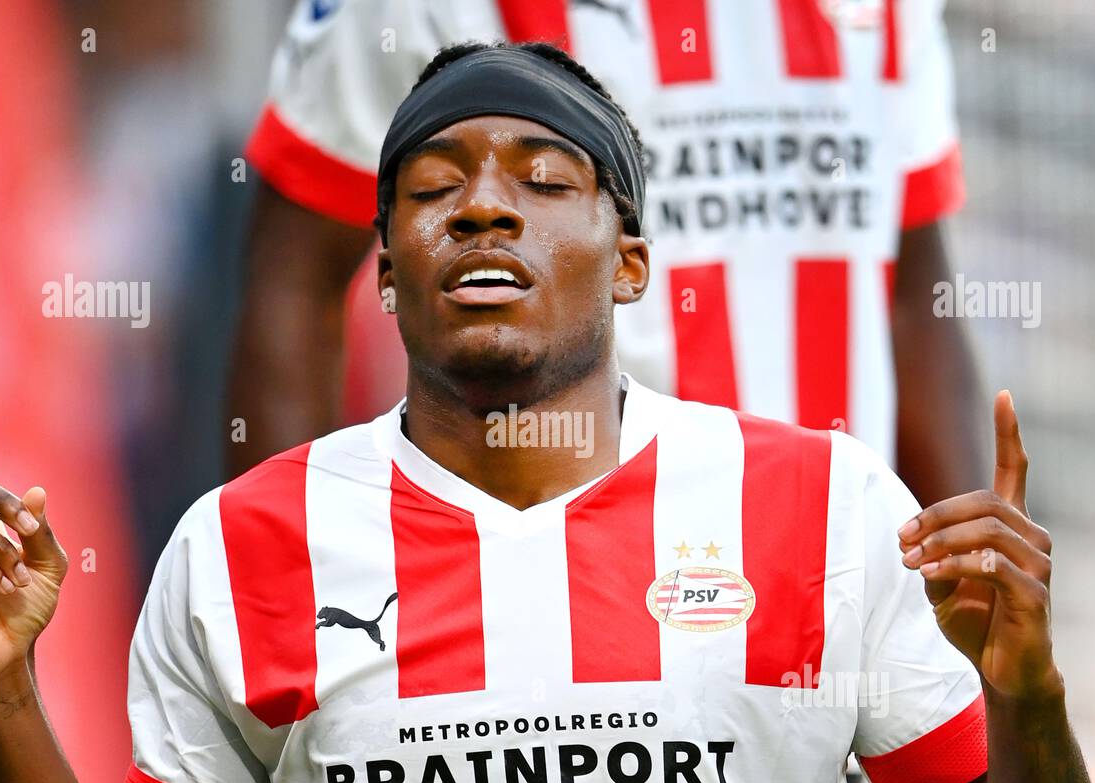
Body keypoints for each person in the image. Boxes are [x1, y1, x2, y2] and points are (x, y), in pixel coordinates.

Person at [0, 43, 1095, 783]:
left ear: (630, 262)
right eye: (432, 188)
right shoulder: (244, 543)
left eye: (541, 179)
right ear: (382, 273)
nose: (483, 208)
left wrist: (1028, 695)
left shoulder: (823, 508)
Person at [231, 0, 987, 514]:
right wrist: (292, 603)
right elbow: (294, 281)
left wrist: (978, 639)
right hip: (556, 607)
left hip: (834, 601)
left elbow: (911, 295)